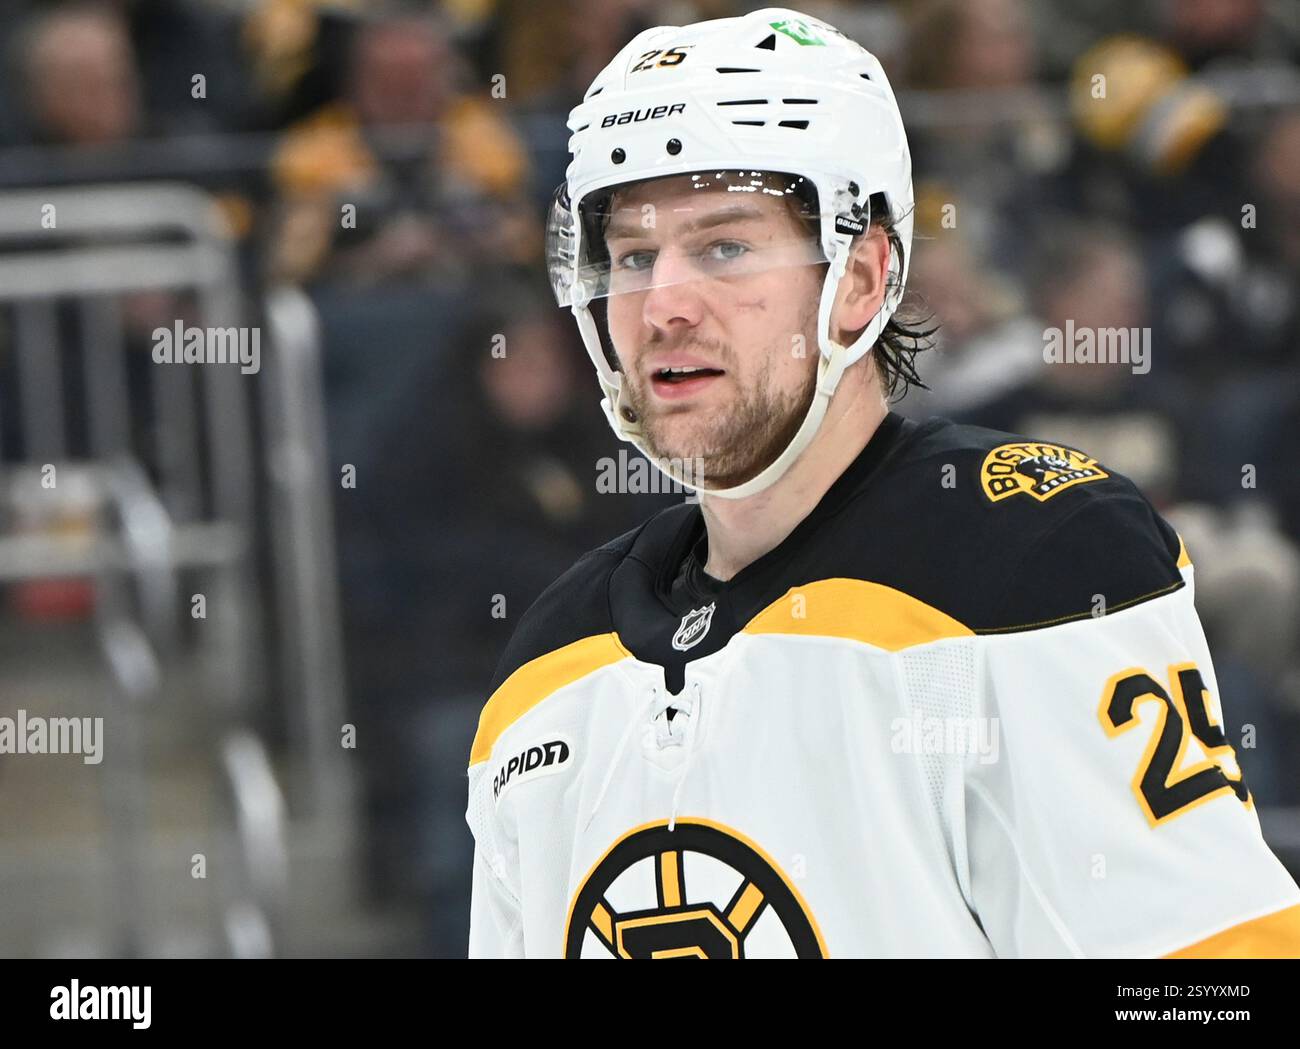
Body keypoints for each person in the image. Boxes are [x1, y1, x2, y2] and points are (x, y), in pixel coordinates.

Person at [465, 7, 1300, 958]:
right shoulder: (544, 672)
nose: (663, 305)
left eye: (725, 247)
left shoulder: (1035, 558)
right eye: (634, 256)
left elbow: (1211, 975)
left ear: (862, 277)